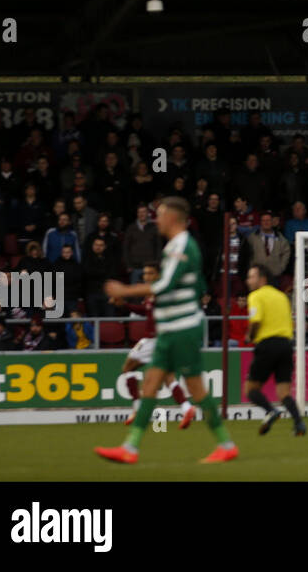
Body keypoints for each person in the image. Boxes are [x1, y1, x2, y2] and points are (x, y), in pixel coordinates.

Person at [95, 196, 237, 465]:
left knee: (196, 389)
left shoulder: (182, 245)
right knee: (150, 383)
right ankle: (131, 448)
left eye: (159, 215)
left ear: (172, 217)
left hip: (182, 328)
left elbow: (164, 286)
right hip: (170, 329)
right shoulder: (176, 244)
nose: (155, 220)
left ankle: (226, 445)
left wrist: (125, 291)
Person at [114, 262, 197, 429]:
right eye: (145, 273)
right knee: (168, 378)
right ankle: (187, 408)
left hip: (154, 340)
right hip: (164, 340)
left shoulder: (160, 292)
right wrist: (125, 305)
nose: (146, 276)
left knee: (127, 368)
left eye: (150, 273)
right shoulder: (153, 293)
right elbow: (146, 310)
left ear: (157, 275)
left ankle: (138, 409)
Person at [244, 263, 306, 437]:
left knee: (250, 389)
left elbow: (256, 321)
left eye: (252, 277)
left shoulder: (255, 296)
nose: (248, 281)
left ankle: (271, 411)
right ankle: (299, 423)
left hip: (267, 345)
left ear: (262, 279)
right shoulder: (282, 297)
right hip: (286, 345)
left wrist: (249, 336)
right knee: (284, 392)